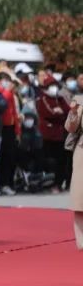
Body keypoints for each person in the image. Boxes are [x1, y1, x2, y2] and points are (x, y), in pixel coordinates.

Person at [38, 76, 71, 193]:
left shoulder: (60, 99)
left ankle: (58, 183)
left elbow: (68, 111)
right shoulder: (42, 99)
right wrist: (59, 114)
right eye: (51, 86)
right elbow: (48, 114)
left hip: (60, 135)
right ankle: (47, 183)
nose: (54, 88)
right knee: (49, 160)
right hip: (47, 135)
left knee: (62, 160)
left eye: (55, 86)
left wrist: (61, 113)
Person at [61, 95, 83, 248]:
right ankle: (81, 240)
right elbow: (70, 127)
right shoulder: (80, 100)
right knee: (80, 197)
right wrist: (74, 112)